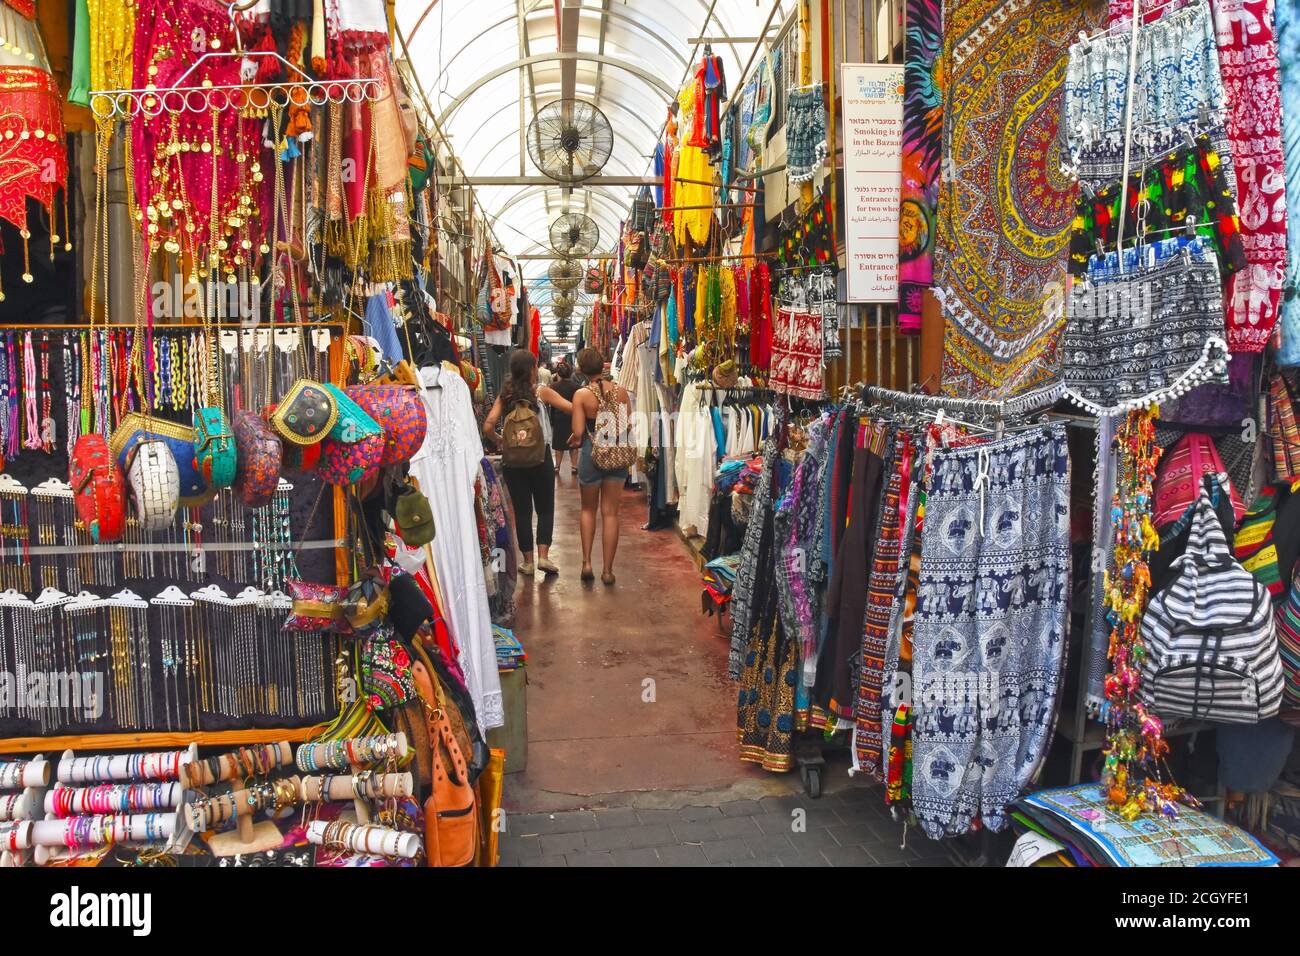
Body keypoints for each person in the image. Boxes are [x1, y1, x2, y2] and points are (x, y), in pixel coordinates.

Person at [482, 349, 572, 576]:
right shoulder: (541, 392)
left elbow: (488, 425)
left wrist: (501, 441)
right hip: (540, 457)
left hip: (513, 462)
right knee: (545, 509)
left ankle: (528, 562)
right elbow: (570, 408)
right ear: (533, 369)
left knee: (522, 512)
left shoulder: (506, 395)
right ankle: (544, 557)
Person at [569, 347, 631, 585]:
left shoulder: (581, 395)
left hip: (590, 454)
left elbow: (577, 432)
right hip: (616, 455)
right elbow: (626, 427)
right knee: (611, 513)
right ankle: (607, 570)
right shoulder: (621, 392)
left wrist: (582, 434)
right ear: (603, 366)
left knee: (588, 510)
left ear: (582, 369)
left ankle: (586, 563)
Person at [548, 362, 580, 479]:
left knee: (559, 443)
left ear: (558, 373)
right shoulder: (576, 386)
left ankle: (557, 466)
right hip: (572, 416)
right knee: (573, 443)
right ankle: (574, 466)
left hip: (558, 417)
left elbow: (551, 405)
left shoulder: (553, 386)